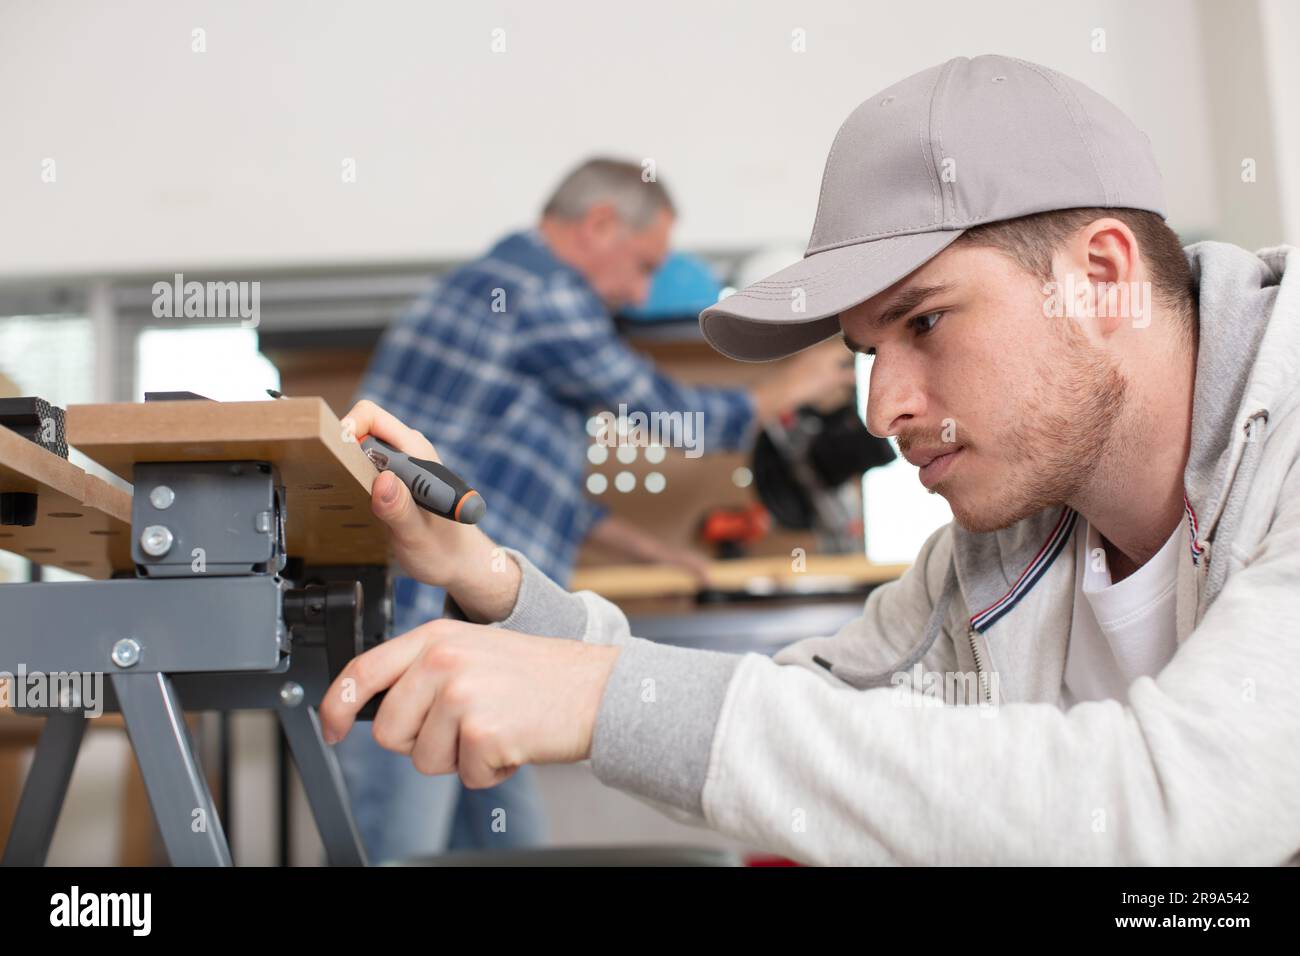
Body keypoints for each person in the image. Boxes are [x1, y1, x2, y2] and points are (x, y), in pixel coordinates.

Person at [322, 54, 1300, 864]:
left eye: (924, 319)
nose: (881, 409)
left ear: (1100, 280)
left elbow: (1175, 806)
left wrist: (598, 695)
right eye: (869, 350)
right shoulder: (997, 550)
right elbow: (761, 734)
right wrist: (489, 579)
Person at [334, 157, 856, 862]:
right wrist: (782, 391)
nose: (640, 293)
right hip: (420, 623)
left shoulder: (498, 296)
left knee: (508, 847)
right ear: (600, 224)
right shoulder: (536, 289)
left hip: (470, 636)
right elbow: (665, 411)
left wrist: (658, 553)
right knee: (399, 855)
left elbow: (531, 492)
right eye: (643, 266)